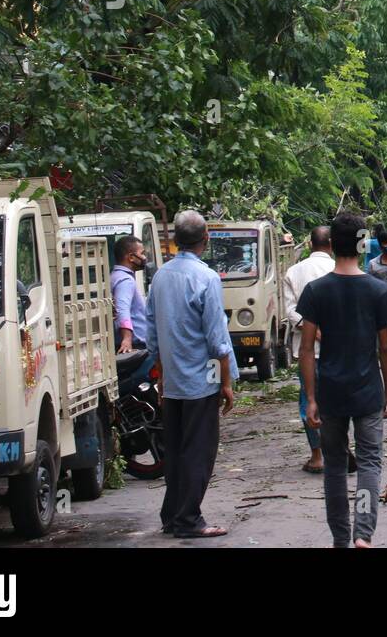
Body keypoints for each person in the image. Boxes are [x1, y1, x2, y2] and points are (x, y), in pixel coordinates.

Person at [298, 212, 387, 548]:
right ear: (361, 244)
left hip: (330, 394)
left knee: (336, 468)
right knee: (369, 463)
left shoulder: (315, 291)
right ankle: (362, 534)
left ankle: (341, 539)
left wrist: (311, 398)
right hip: (368, 391)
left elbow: (307, 350)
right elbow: (386, 347)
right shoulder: (379, 291)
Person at [146, 209, 239, 538]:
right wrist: (226, 383)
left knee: (176, 451)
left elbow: (152, 333)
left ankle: (172, 515)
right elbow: (217, 339)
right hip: (202, 379)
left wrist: (160, 376)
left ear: (174, 240)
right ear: (207, 238)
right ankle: (189, 519)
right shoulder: (207, 278)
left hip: (172, 381)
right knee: (200, 451)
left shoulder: (160, 276)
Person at [284, 227, 337, 474]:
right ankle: (338, 450)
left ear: (309, 243)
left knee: (310, 399)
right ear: (331, 244)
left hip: (306, 352)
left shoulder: (294, 271)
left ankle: (317, 456)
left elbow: (290, 311)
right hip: (337, 349)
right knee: (338, 400)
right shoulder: (339, 270)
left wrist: (309, 328)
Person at [112, 234, 149, 354]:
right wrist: (127, 339)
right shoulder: (125, 281)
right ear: (131, 257)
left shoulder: (115, 276)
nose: (144, 257)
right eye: (142, 253)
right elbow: (122, 308)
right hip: (135, 346)